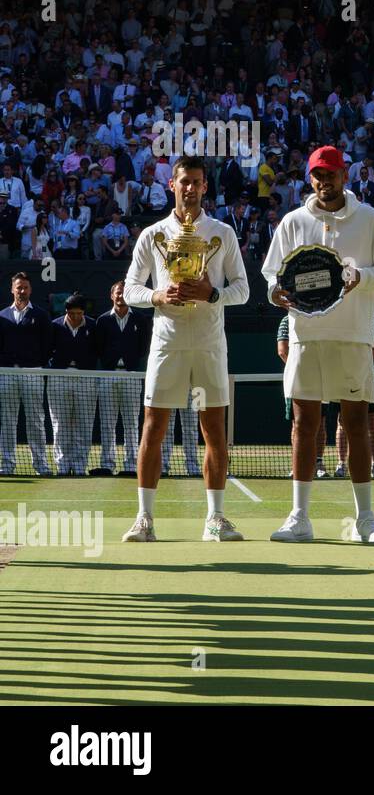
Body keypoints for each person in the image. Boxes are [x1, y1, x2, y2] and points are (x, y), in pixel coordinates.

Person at [261, 145, 374, 543]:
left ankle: (365, 520)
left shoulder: (371, 220)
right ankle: (299, 518)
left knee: (356, 423)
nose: (325, 182)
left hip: (353, 336)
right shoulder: (292, 221)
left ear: (345, 176)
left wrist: (360, 276)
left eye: (332, 174)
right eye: (318, 175)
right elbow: (272, 276)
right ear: (311, 179)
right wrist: (276, 293)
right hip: (305, 335)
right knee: (304, 423)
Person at [122, 154, 249, 543]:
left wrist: (212, 294)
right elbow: (130, 289)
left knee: (213, 429)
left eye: (197, 182)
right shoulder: (152, 235)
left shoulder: (223, 233)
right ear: (171, 186)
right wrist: (158, 295)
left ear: (205, 187)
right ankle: (144, 519)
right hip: (167, 344)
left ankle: (216, 518)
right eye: (184, 182)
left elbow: (242, 291)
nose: (190, 189)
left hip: (210, 345)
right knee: (154, 427)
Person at [0, 273, 52, 476]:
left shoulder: (40, 315)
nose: (22, 291)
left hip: (33, 373)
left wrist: (35, 363)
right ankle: (6, 465)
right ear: (12, 289)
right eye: (18, 287)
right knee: (8, 420)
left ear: (30, 290)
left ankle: (40, 465)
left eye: (25, 288)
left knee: (35, 420)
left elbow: (47, 345)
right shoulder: (2, 315)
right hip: (7, 373)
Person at [94, 280, 148, 475]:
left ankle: (132, 465)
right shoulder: (102, 320)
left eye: (124, 293)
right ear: (112, 295)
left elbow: (143, 348)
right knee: (107, 423)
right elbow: (99, 348)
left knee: (131, 422)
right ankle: (107, 464)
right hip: (108, 376)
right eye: (118, 292)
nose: (121, 296)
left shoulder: (140, 319)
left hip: (132, 376)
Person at [47, 292, 97, 476]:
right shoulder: (54, 326)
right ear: (66, 311)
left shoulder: (93, 326)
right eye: (71, 313)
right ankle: (62, 466)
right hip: (59, 378)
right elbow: (47, 349)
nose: (75, 317)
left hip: (85, 378)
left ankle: (79, 467)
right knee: (60, 424)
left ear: (83, 312)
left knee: (84, 424)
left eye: (79, 313)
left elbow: (97, 349)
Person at [276, 315, 328, 480]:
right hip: (297, 380)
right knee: (297, 424)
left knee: (321, 422)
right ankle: (297, 465)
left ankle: (318, 462)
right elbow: (283, 351)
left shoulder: (322, 319)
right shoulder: (286, 321)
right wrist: (302, 370)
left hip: (321, 380)